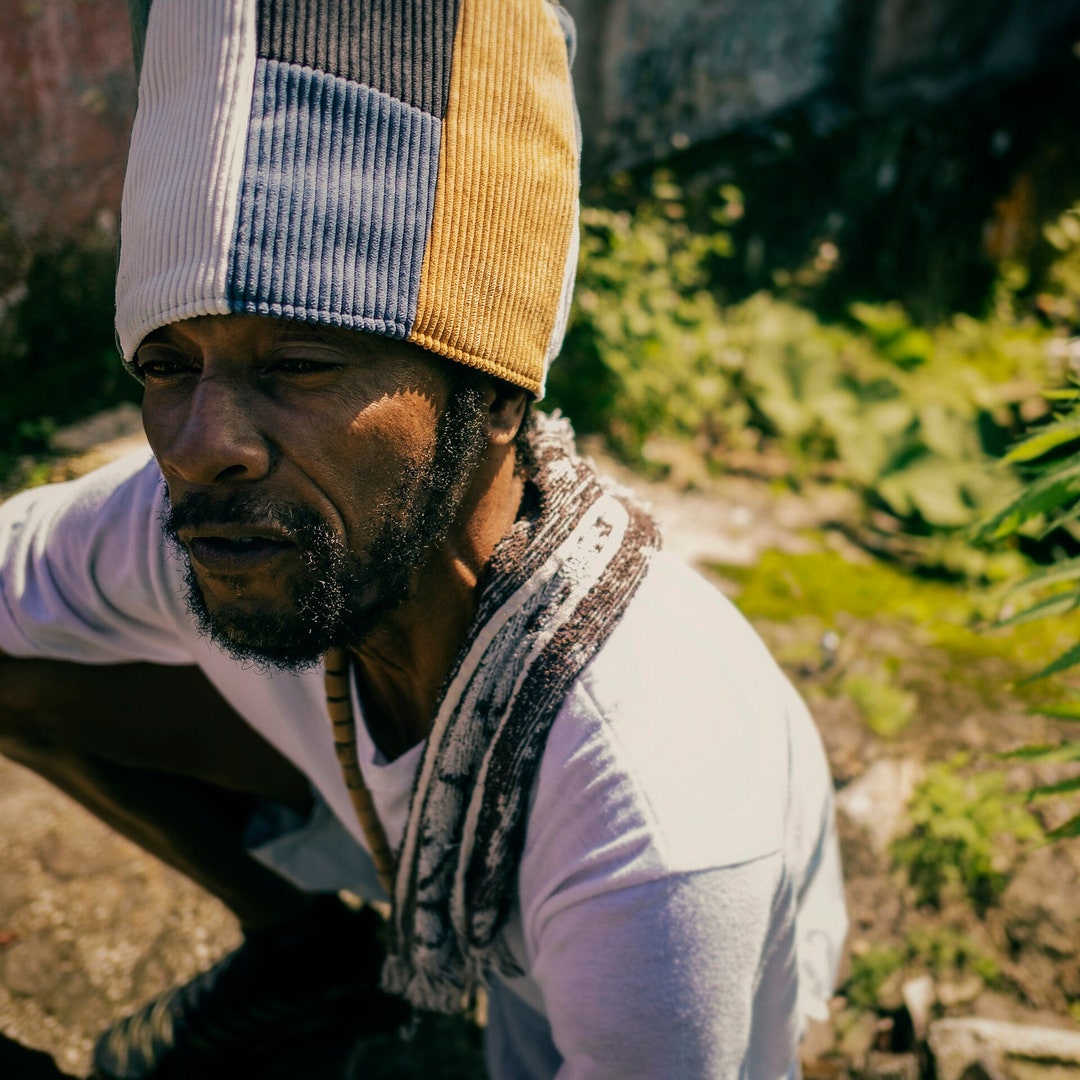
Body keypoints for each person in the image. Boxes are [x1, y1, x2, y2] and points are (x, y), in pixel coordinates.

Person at [0, 1, 848, 1076]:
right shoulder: (244, 517)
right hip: (395, 838)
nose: (203, 445)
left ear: (494, 399)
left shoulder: (648, 817)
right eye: (169, 366)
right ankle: (312, 956)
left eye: (299, 365)